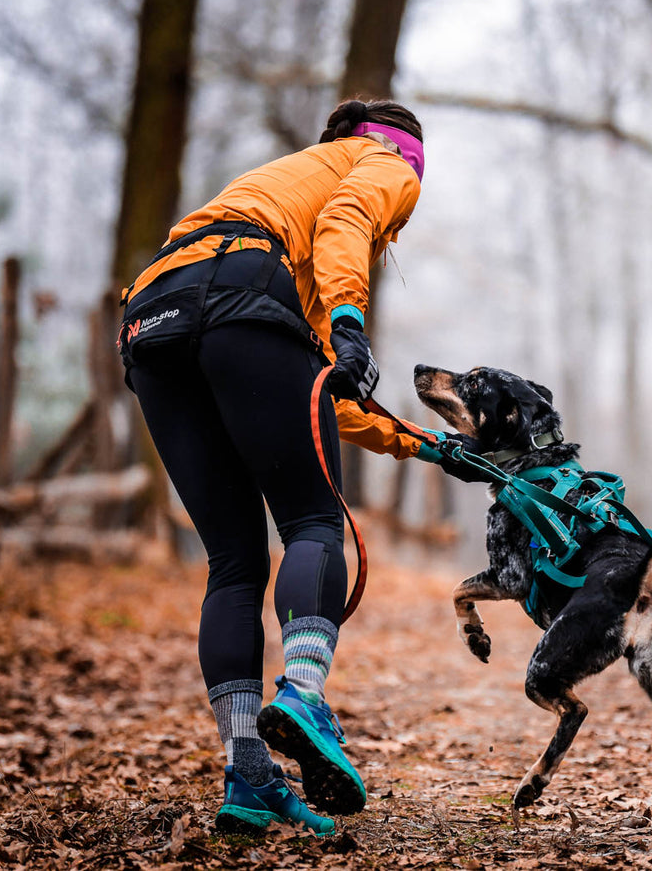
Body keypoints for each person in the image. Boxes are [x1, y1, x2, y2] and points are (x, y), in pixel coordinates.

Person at [118, 98, 476, 836]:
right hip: (235, 290)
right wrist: (351, 323)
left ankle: (248, 772)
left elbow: (313, 393)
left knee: (233, 561)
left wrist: (431, 446)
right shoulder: (382, 163)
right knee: (313, 520)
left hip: (153, 313)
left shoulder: (280, 200)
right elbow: (349, 223)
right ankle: (305, 694)